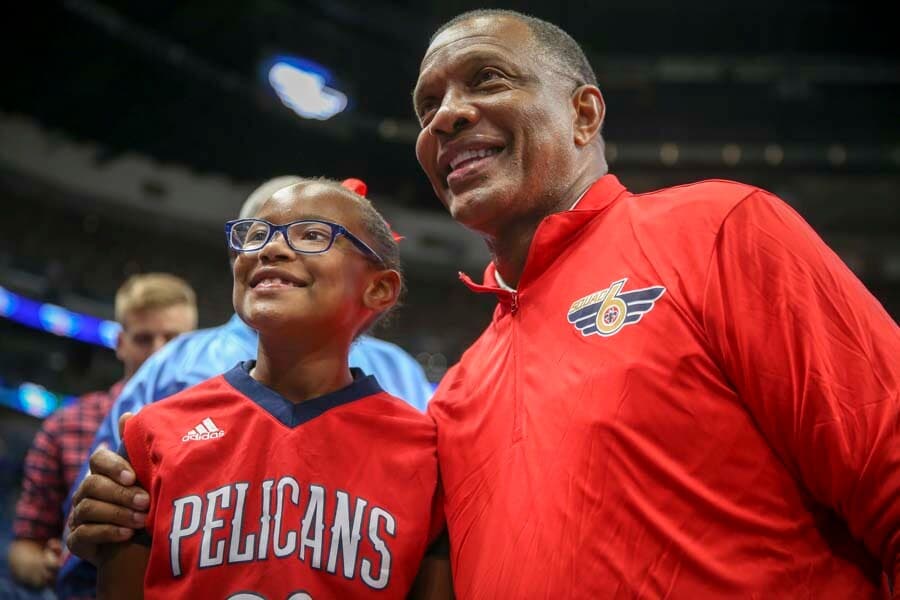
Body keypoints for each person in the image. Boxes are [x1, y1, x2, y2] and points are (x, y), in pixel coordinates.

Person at [67, 9, 900, 598]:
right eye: (428, 105)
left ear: (584, 112)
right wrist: (138, 510)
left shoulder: (717, 229)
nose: (447, 115)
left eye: (486, 79)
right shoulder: (458, 394)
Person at [55, 176, 435, 600]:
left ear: (379, 288)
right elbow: (93, 523)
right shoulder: (155, 427)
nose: (270, 248)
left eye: (311, 234)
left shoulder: (423, 450)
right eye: (255, 235)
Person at [8, 273, 197, 593]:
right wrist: (46, 565)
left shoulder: (214, 425)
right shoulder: (66, 425)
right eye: (144, 338)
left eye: (174, 339)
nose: (159, 351)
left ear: (193, 345)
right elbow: (24, 545)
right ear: (120, 343)